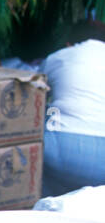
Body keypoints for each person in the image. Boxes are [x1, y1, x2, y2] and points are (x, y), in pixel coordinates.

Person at [43, 25, 105, 196]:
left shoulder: (58, 57)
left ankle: (44, 209)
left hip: (62, 152)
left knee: (44, 114)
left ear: (70, 43)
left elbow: (37, 92)